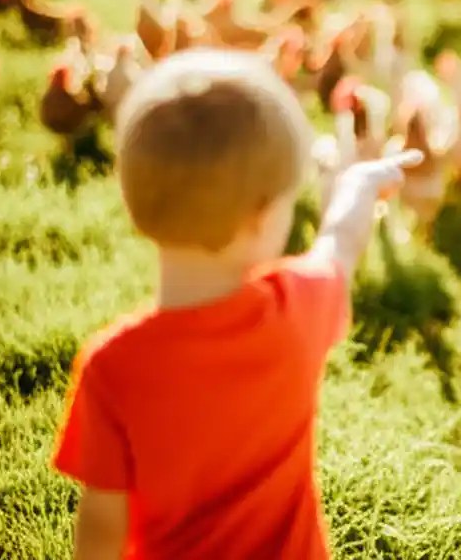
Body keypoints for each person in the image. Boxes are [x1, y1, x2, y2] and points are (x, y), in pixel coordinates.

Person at [51, 49, 421, 559]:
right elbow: (340, 243)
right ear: (261, 218)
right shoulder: (295, 310)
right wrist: (357, 185)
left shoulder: (111, 367)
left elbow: (100, 523)